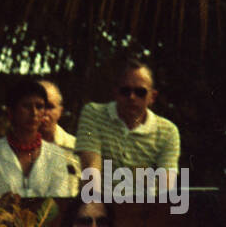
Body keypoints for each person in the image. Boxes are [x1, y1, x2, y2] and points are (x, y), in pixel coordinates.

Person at [75, 56, 180, 194]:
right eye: (125, 91)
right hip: (100, 202)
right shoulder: (94, 114)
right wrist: (94, 202)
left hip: (145, 208)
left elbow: (165, 186)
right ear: (116, 92)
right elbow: (91, 165)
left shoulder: (168, 131)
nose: (132, 97)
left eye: (140, 92)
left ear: (152, 97)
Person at [0, 78, 73, 197]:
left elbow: (60, 199)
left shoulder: (55, 155)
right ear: (11, 111)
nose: (34, 113)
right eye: (26, 106)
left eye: (39, 106)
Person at [40, 78, 81, 195]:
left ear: (60, 111)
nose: (43, 112)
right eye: (39, 106)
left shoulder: (77, 149)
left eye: (50, 107)